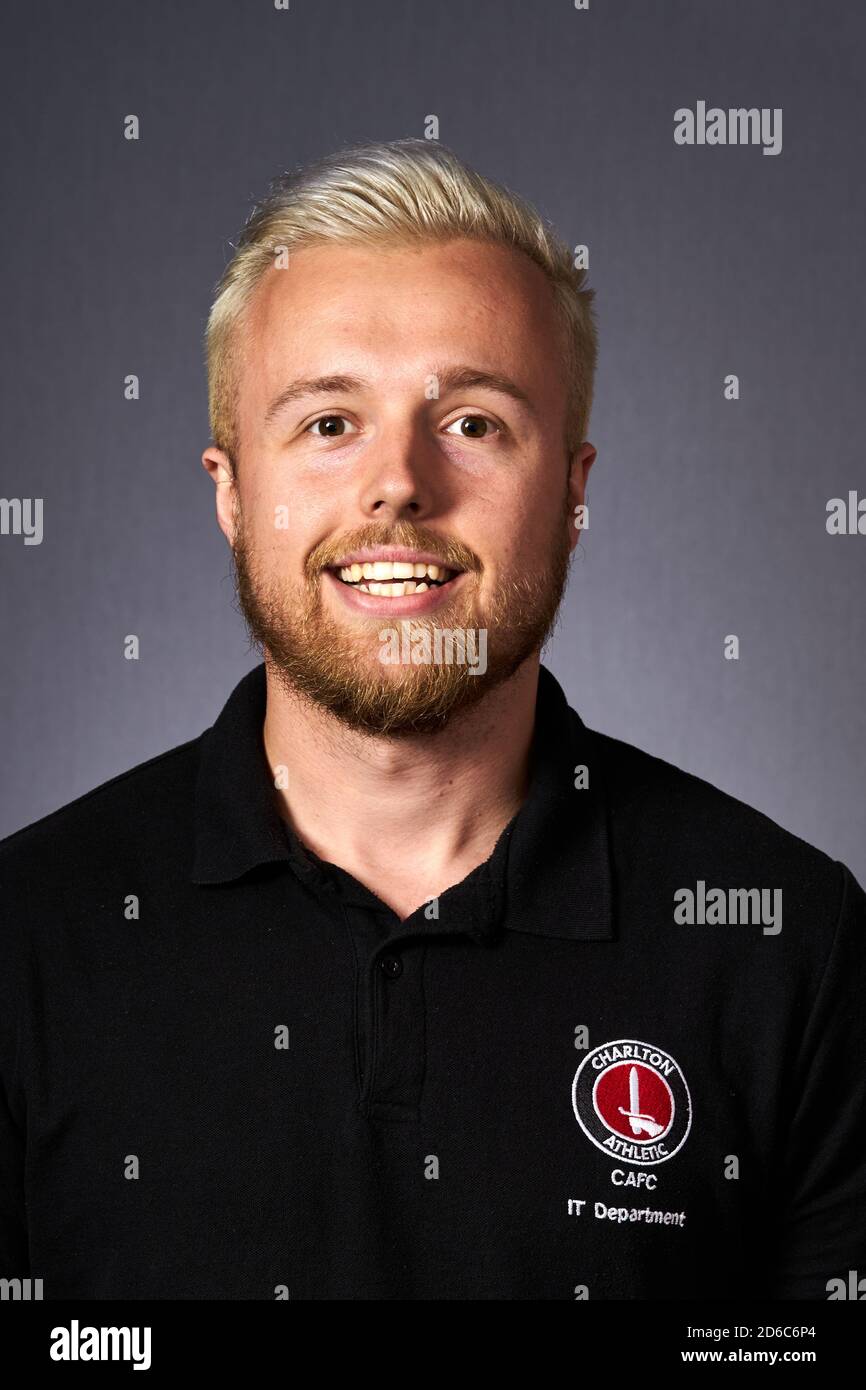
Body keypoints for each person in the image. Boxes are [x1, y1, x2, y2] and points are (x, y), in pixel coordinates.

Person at [1, 139, 863, 1301]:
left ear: (571, 490)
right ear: (229, 492)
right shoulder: (25, 940)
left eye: (470, 422)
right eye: (325, 422)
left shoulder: (791, 949)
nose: (399, 482)